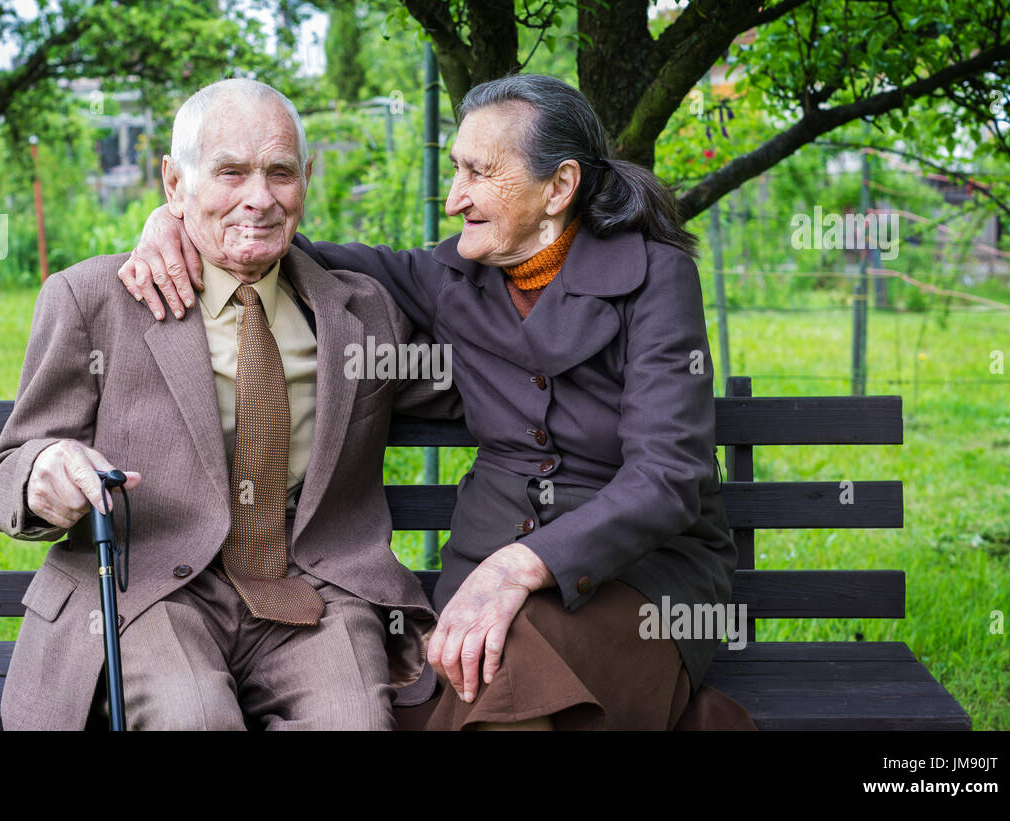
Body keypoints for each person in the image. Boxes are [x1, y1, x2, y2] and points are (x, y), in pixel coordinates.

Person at [118, 74, 757, 730]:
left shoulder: (655, 278)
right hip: (484, 577)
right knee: (487, 676)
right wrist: (167, 221)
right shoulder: (453, 277)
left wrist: (521, 567)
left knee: (507, 677)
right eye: (456, 170)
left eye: (479, 173)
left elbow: (668, 479)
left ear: (559, 187)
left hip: (643, 578)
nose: (454, 199)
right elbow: (279, 244)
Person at [0, 78, 458, 730]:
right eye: (230, 172)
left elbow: (483, 372)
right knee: (191, 717)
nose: (258, 198)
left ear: (307, 180)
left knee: (355, 721)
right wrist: (45, 474)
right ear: (174, 183)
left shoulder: (362, 311)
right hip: (147, 589)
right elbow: (8, 469)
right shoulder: (93, 299)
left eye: (280, 173)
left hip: (310, 589)